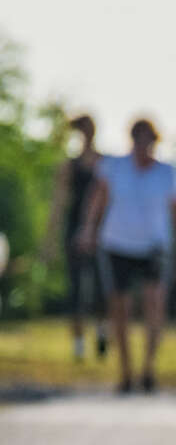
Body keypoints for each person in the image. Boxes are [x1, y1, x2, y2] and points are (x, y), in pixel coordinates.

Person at [77, 118, 176, 395]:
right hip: (117, 244)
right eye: (137, 137)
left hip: (155, 247)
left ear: (155, 141)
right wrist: (89, 230)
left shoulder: (168, 173)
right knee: (120, 309)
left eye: (147, 138)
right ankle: (126, 372)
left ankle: (148, 369)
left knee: (154, 306)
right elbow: (97, 199)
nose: (142, 143)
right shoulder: (114, 166)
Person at [46, 114, 107, 363]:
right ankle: (79, 344)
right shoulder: (69, 166)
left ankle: (103, 331)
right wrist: (50, 238)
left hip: (103, 232)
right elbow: (59, 202)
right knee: (77, 289)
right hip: (74, 230)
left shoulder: (105, 163)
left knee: (103, 288)